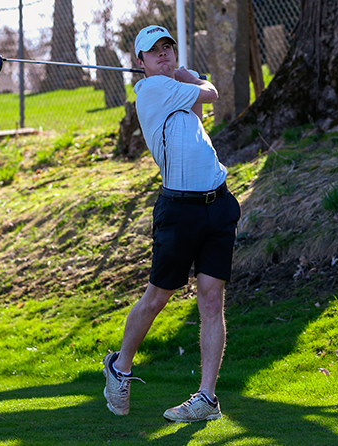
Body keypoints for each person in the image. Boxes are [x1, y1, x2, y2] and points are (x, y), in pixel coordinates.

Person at [102, 25, 241, 423]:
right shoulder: (151, 91)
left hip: (217, 202)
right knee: (157, 297)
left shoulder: (175, 88)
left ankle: (207, 399)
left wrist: (187, 78)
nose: (163, 55)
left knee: (212, 299)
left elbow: (199, 111)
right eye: (153, 52)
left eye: (168, 48)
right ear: (140, 62)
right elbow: (211, 93)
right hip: (178, 211)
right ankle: (120, 367)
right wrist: (188, 78)